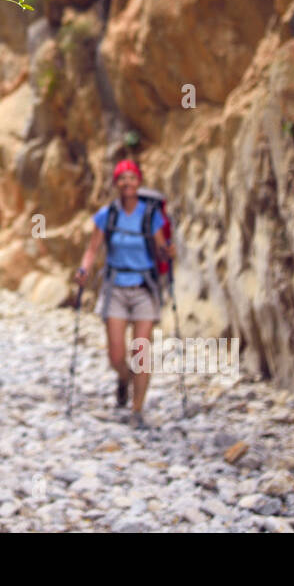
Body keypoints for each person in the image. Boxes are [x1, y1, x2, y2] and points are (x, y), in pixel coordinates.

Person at [75, 159, 170, 429]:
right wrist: (84, 270)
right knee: (116, 356)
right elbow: (92, 249)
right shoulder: (108, 215)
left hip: (143, 288)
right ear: (116, 183)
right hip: (115, 286)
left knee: (141, 352)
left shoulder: (151, 215)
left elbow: (162, 247)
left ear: (139, 182)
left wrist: (168, 253)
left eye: (132, 178)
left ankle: (136, 411)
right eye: (122, 178)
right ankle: (123, 378)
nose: (127, 183)